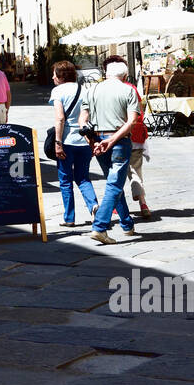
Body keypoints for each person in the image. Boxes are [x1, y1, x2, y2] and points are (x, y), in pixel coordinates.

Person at [86, 56, 141, 244]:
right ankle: (99, 227)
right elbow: (132, 120)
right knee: (115, 184)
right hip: (119, 140)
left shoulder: (92, 89)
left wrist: (92, 141)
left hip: (98, 140)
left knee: (113, 182)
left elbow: (82, 121)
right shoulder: (128, 90)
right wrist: (113, 139)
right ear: (125, 75)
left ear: (106, 74)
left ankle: (127, 223)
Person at [49, 61, 97, 228]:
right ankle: (93, 206)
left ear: (62, 76)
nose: (53, 77)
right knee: (83, 177)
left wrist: (58, 142)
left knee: (65, 179)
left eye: (55, 74)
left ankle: (69, 217)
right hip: (84, 140)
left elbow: (60, 118)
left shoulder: (57, 91)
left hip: (67, 140)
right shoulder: (85, 90)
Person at [116, 62, 153, 219]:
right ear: (125, 75)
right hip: (136, 135)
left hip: (117, 135)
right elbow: (139, 111)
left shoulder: (110, 89)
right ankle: (143, 203)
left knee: (116, 173)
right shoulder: (132, 88)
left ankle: (116, 205)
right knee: (136, 171)